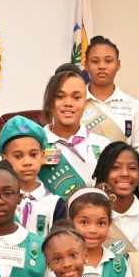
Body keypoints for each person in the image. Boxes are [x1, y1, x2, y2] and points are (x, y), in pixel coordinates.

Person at [40, 65, 111, 197]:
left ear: (86, 102)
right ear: (50, 102)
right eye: (60, 97)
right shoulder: (36, 145)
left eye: (76, 97)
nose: (68, 103)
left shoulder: (104, 146)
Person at [0, 117, 64, 235]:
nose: (27, 162)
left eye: (33, 154)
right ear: (5, 159)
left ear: (42, 155)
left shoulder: (54, 204)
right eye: (18, 156)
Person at [93, 141, 139, 253]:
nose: (125, 173)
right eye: (115, 167)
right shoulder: (91, 215)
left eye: (132, 168)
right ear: (103, 172)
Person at [82, 36, 138, 145]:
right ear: (86, 65)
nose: (102, 66)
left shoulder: (135, 106)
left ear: (118, 65)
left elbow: (138, 149)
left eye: (108, 61)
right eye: (95, 61)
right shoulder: (74, 104)